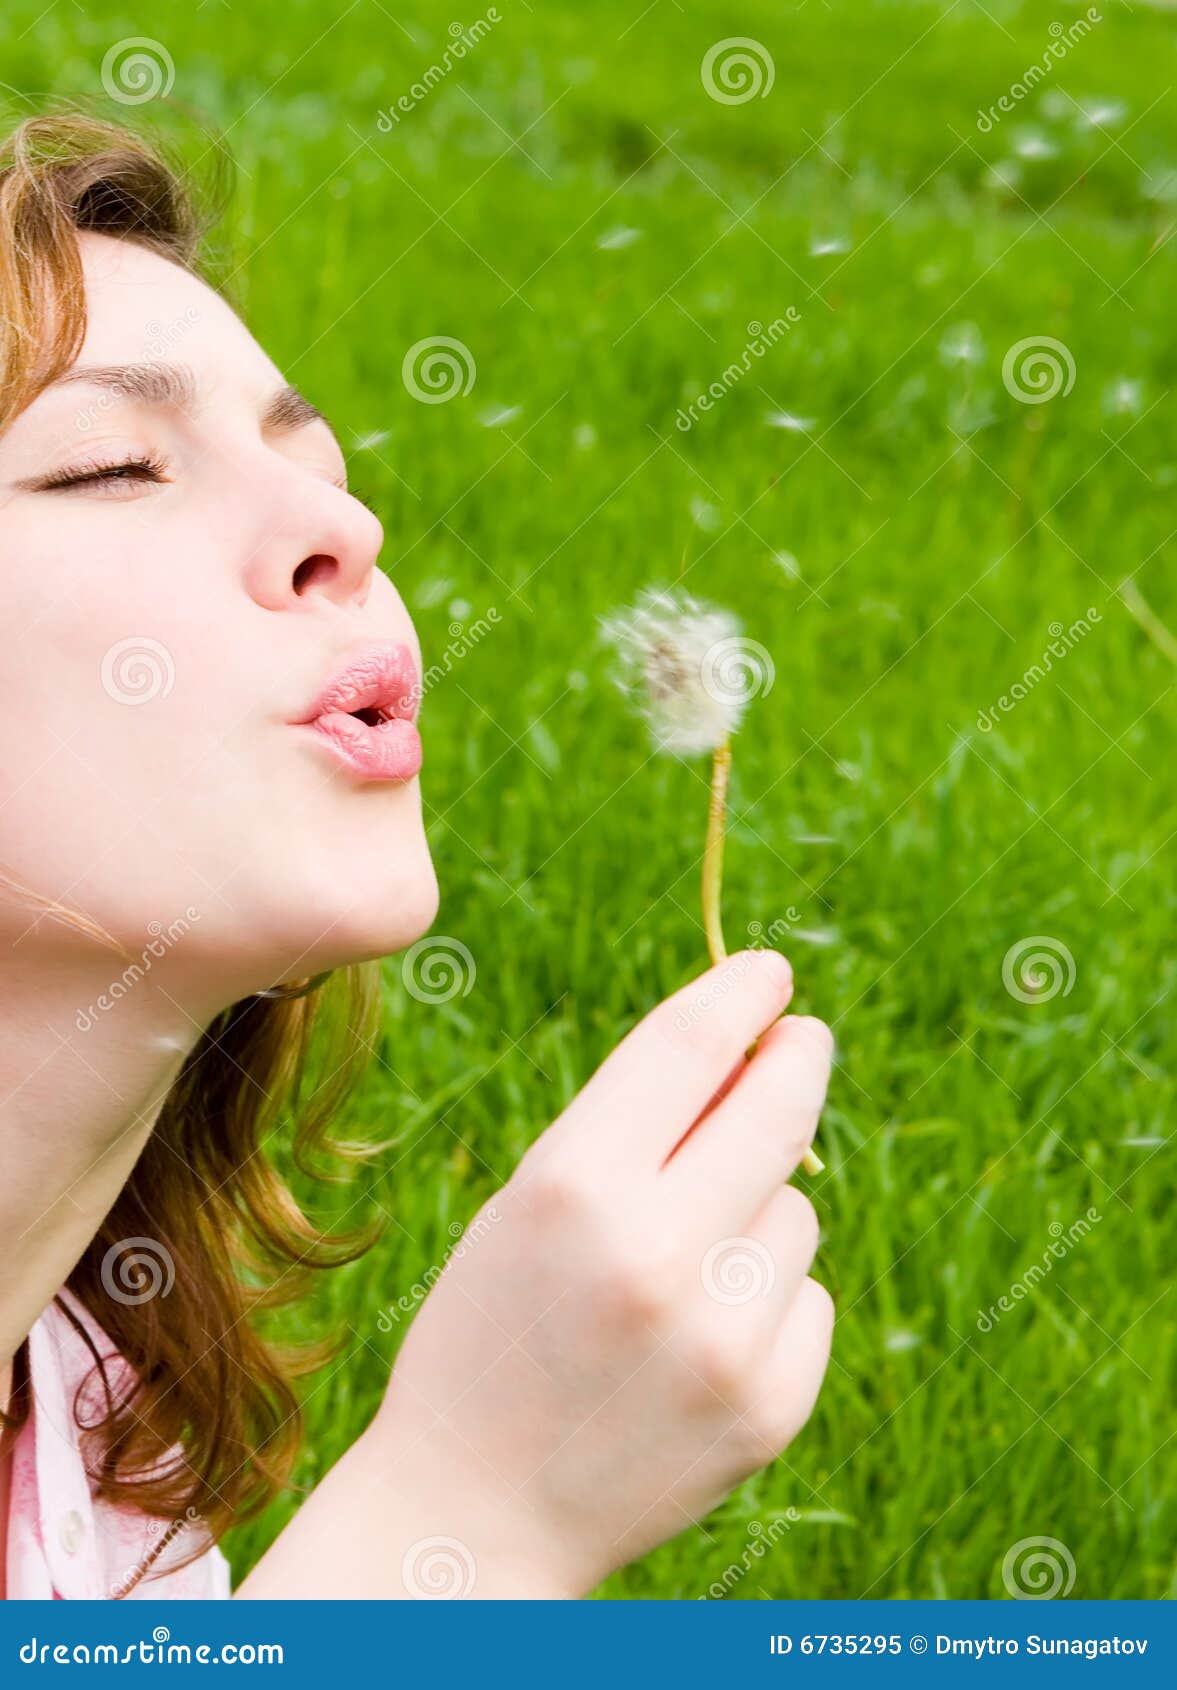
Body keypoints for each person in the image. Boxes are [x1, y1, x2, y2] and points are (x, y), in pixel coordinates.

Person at [0, 111, 834, 1600]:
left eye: (312, 461)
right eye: (114, 463)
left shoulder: (90, 1440)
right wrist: (467, 1512)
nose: (345, 521)